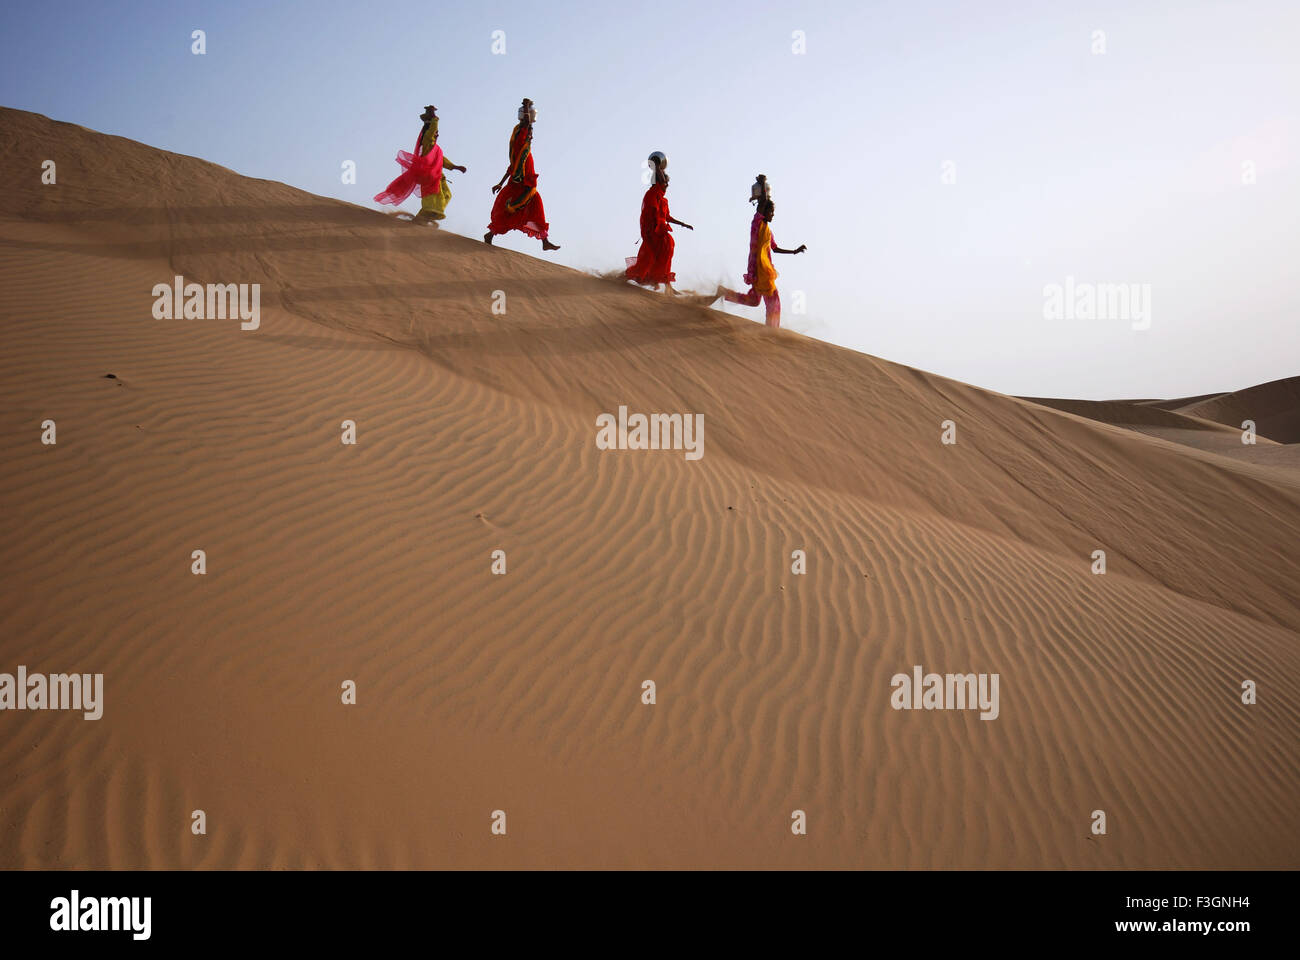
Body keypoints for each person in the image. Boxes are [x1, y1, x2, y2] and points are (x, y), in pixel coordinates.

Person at [716, 180, 805, 329]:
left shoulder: (768, 231)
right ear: (764, 212)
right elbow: (762, 204)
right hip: (759, 269)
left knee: (754, 300)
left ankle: (724, 293)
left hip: (764, 269)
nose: (773, 215)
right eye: (771, 212)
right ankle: (772, 329)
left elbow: (775, 248)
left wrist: (794, 251)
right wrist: (763, 186)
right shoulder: (757, 223)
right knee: (773, 300)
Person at [485, 98, 560, 250]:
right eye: (530, 133)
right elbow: (526, 122)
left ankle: (544, 241)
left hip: (525, 184)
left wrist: (500, 182)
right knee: (509, 211)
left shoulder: (522, 149)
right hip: (522, 184)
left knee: (533, 209)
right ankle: (490, 234)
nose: (531, 136)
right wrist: (526, 106)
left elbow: (511, 166)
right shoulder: (521, 138)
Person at [374, 106, 466, 222]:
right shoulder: (427, 143)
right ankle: (424, 216)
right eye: (435, 133)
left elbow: (442, 160)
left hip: (438, 177)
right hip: (429, 177)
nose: (437, 134)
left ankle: (425, 216)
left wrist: (455, 167)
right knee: (432, 198)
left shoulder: (435, 148)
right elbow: (430, 132)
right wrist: (434, 120)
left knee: (447, 195)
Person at [625, 151, 693, 293]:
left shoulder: (662, 199)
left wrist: (683, 224)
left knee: (663, 252)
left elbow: (667, 216)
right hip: (653, 231)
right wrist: (657, 166)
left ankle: (665, 284)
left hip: (660, 230)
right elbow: (653, 210)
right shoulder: (653, 192)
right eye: (665, 183)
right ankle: (660, 282)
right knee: (656, 254)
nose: (666, 186)